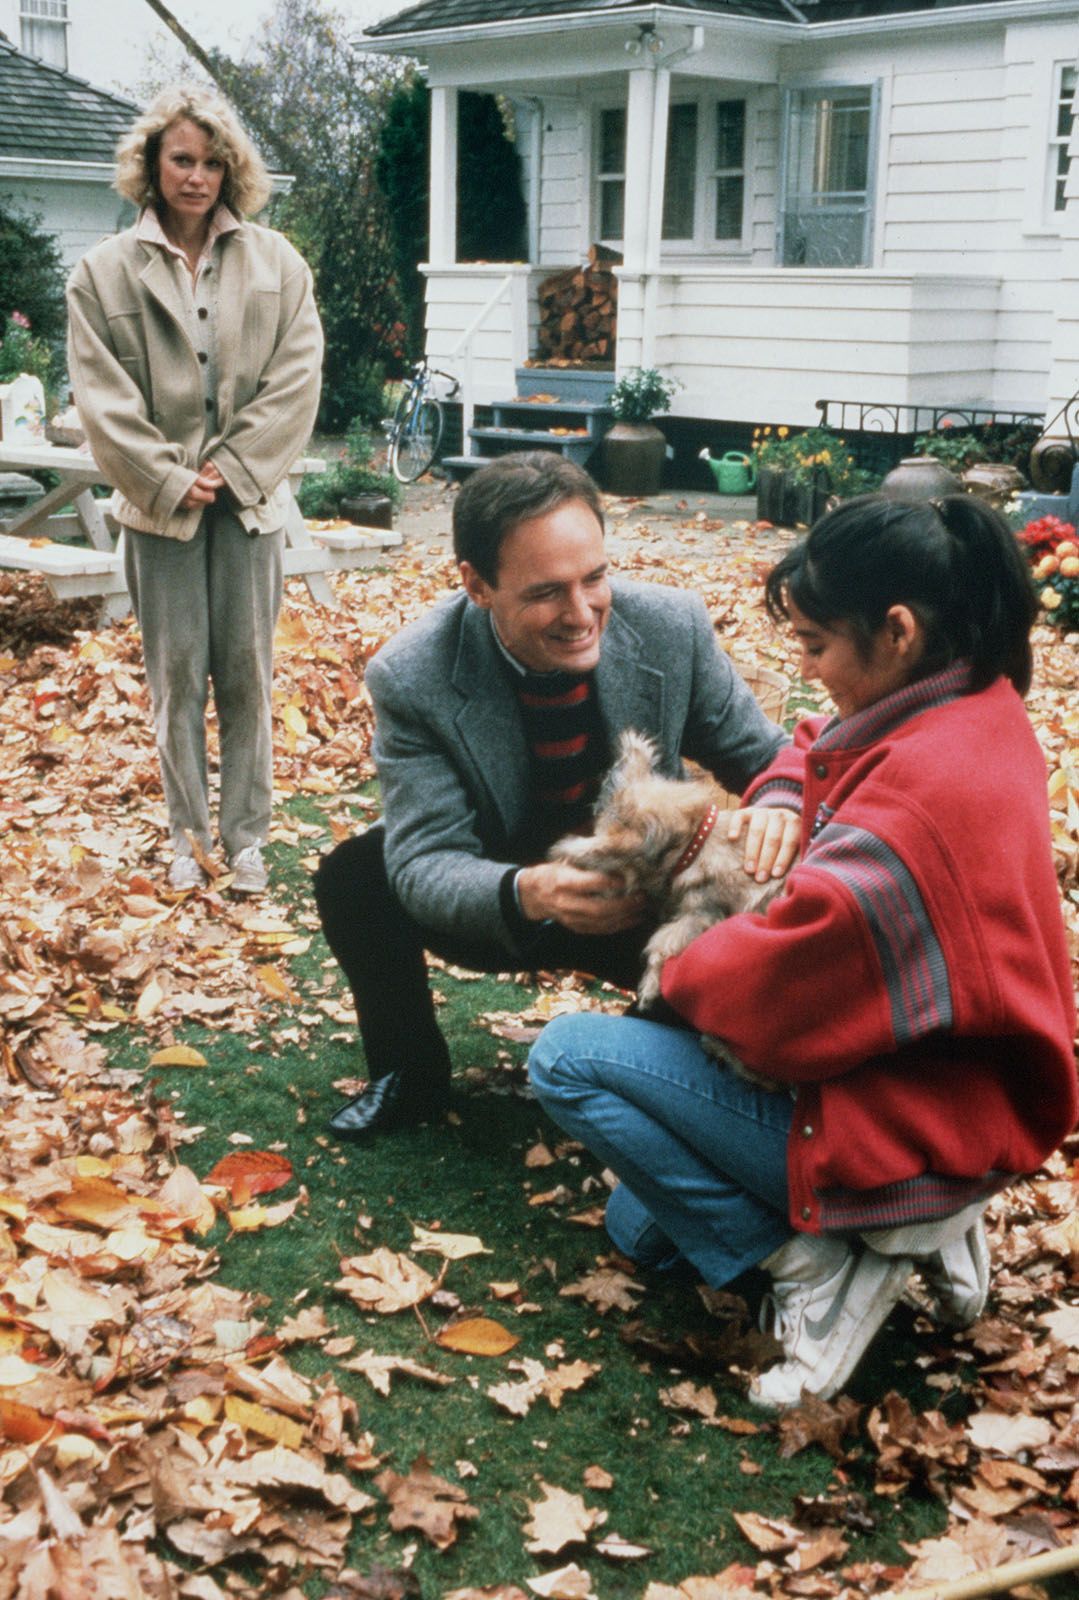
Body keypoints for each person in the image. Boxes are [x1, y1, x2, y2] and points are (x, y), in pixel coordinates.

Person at [529, 492, 1078, 1411]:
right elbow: (815, 746)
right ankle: (914, 1229)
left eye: (816, 644)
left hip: (903, 1116)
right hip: (960, 1086)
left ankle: (820, 1263)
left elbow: (773, 996)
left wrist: (669, 963)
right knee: (642, 1230)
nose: (807, 667)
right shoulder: (969, 703)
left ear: (896, 631)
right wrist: (781, 796)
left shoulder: (919, 801)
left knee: (569, 1058)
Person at [314, 451, 800, 1138]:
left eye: (594, 578)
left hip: (643, 897)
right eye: (545, 592)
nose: (581, 613)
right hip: (507, 891)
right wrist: (529, 892)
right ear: (477, 585)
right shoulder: (412, 674)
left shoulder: (671, 626)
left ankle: (652, 1066)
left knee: (739, 917)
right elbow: (423, 863)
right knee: (356, 877)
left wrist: (782, 801)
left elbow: (775, 758)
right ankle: (409, 1073)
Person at [66, 84, 323, 895]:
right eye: (181, 159)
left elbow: (297, 378)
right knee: (176, 682)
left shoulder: (278, 263)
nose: (196, 176)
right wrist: (169, 477)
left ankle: (245, 841)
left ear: (230, 170)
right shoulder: (102, 274)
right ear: (151, 164)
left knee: (247, 677)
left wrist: (237, 467)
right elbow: (101, 395)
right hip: (157, 513)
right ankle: (188, 839)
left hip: (249, 508)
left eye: (212, 163)